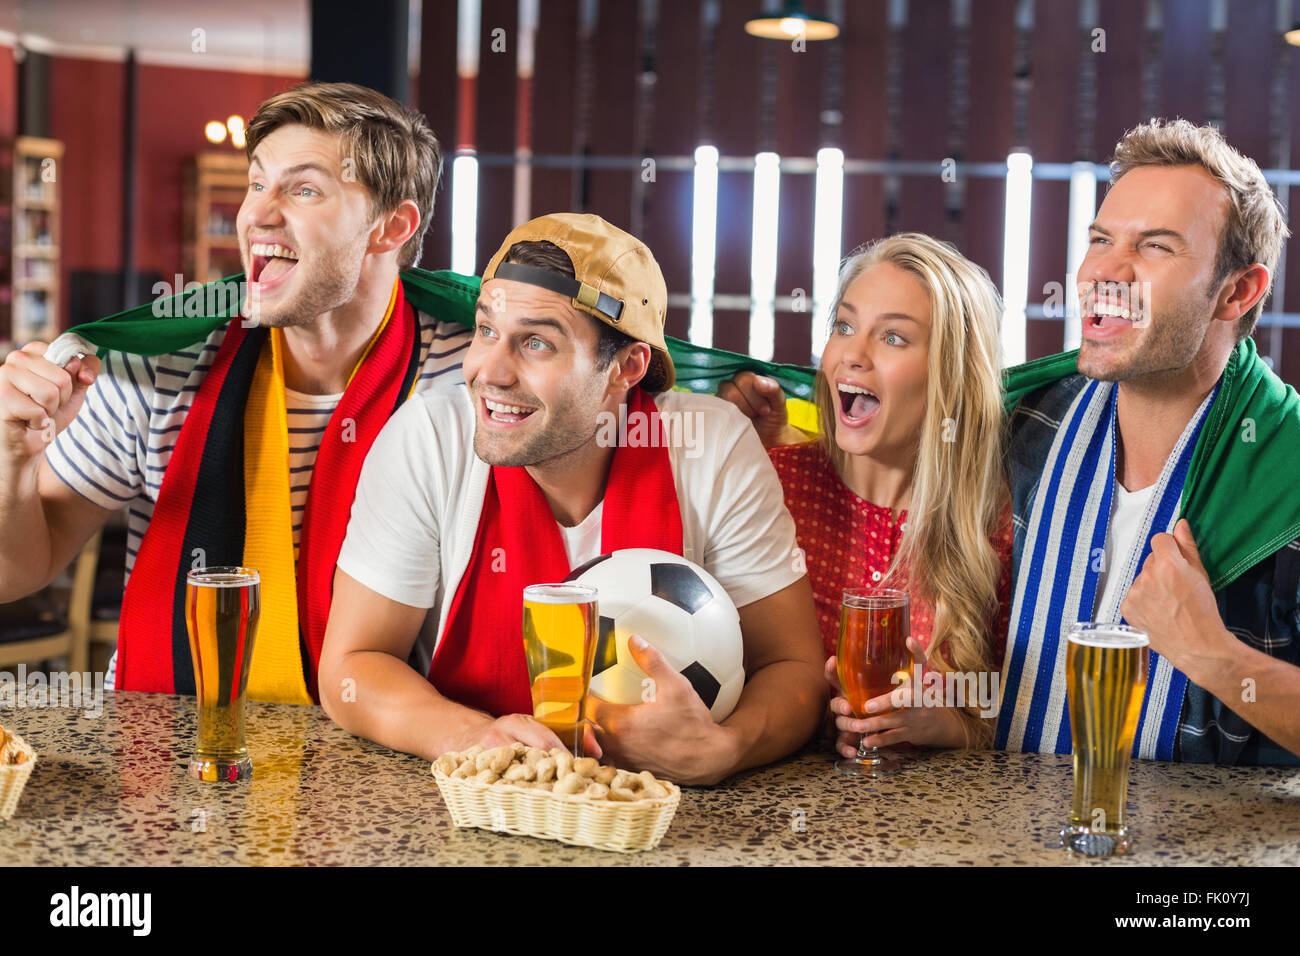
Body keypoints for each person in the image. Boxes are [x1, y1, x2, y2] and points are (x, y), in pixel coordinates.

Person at [0, 81, 474, 705]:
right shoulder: (160, 361)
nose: (258, 215)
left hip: (384, 755)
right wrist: (11, 460)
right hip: (160, 750)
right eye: (257, 183)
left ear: (391, 227)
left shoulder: (470, 379)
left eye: (303, 189)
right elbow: (18, 572)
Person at [319, 213, 827, 786]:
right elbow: (351, 668)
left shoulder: (712, 447)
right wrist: (471, 738)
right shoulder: (428, 438)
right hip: (474, 805)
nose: (490, 372)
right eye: (486, 330)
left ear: (626, 368)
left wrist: (726, 749)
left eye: (536, 343)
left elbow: (795, 669)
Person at [999, 118, 1300, 763]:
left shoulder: (1288, 470)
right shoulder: (1028, 425)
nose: (1105, 271)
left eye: (1156, 247)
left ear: (1238, 292)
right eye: (1100, 239)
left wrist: (1209, 653)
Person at [719, 234, 1012, 755]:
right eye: (844, 326)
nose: (852, 356)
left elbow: (1018, 724)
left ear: (952, 375)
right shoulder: (765, 485)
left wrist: (944, 726)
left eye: (893, 338)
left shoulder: (999, 529)